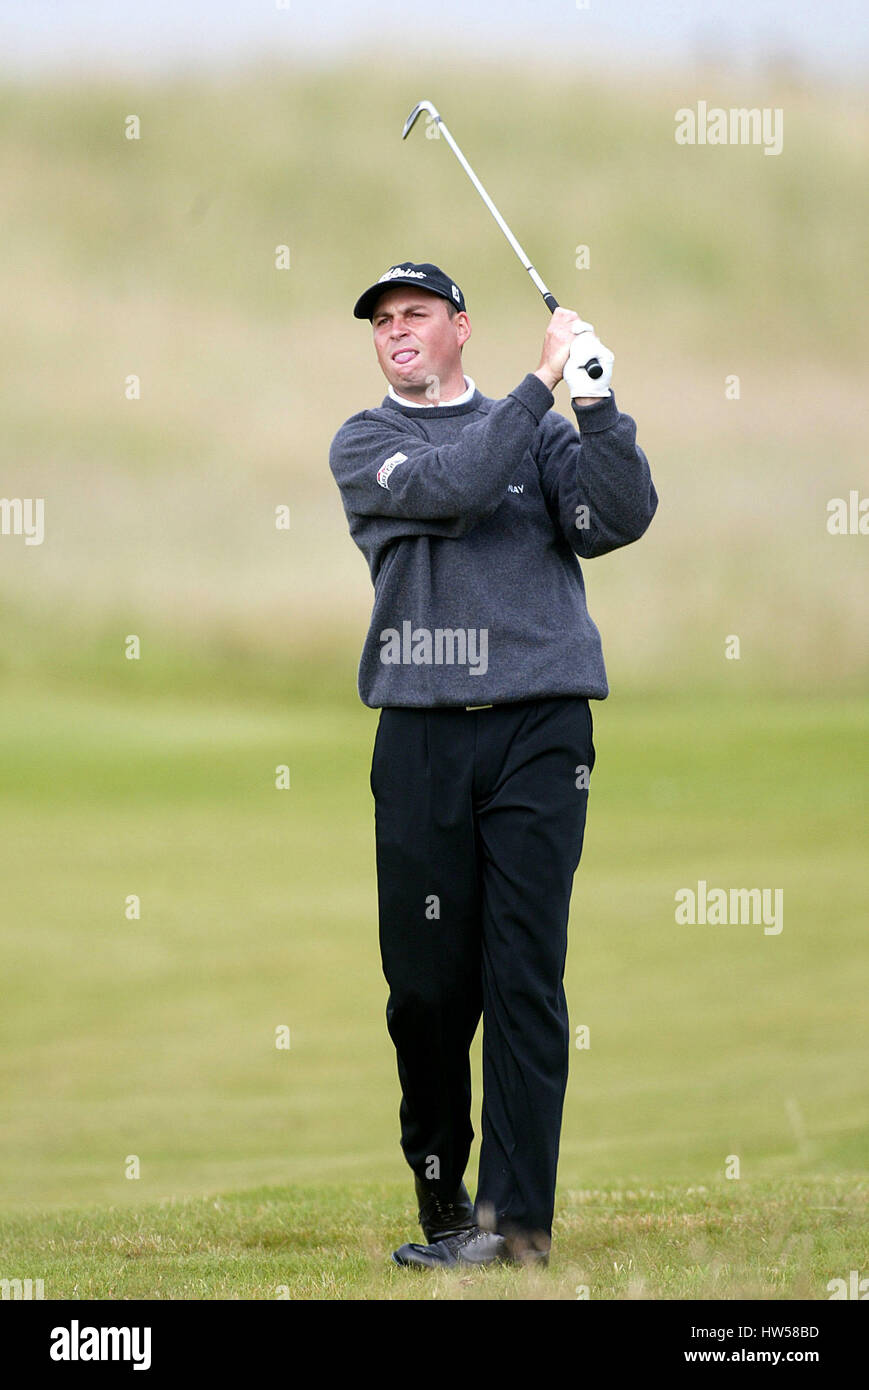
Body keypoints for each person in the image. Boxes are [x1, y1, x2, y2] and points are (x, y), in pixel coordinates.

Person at [328, 261, 657, 1268]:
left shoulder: (545, 430)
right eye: (381, 321)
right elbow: (458, 487)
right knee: (426, 991)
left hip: (540, 729)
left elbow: (614, 520)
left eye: (414, 315)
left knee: (523, 975)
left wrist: (596, 406)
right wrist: (537, 384)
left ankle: (514, 1231)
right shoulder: (367, 442)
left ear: (458, 327)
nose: (395, 332)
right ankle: (442, 1204)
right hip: (422, 730)